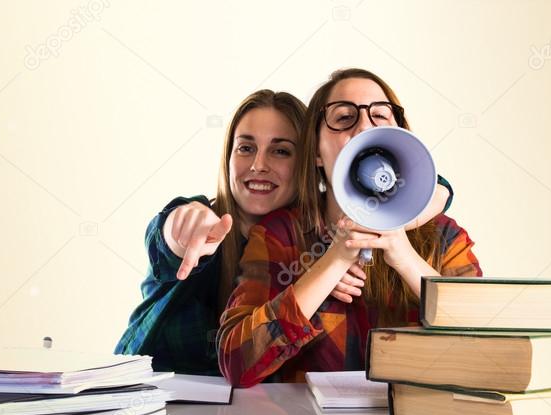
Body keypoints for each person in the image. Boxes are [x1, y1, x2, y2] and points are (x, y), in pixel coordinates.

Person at [116, 88, 454, 375]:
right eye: (245, 148)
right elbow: (165, 239)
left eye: (280, 151)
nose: (259, 164)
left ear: (308, 160)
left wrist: (432, 194)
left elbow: (411, 178)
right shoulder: (202, 220)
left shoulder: (316, 239)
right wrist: (175, 228)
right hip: (151, 402)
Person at [218, 68, 482, 387]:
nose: (364, 127)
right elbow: (237, 363)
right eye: (344, 118)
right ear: (315, 152)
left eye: (380, 115)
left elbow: (485, 348)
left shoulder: (443, 238)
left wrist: (406, 259)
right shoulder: (280, 236)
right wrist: (333, 262)